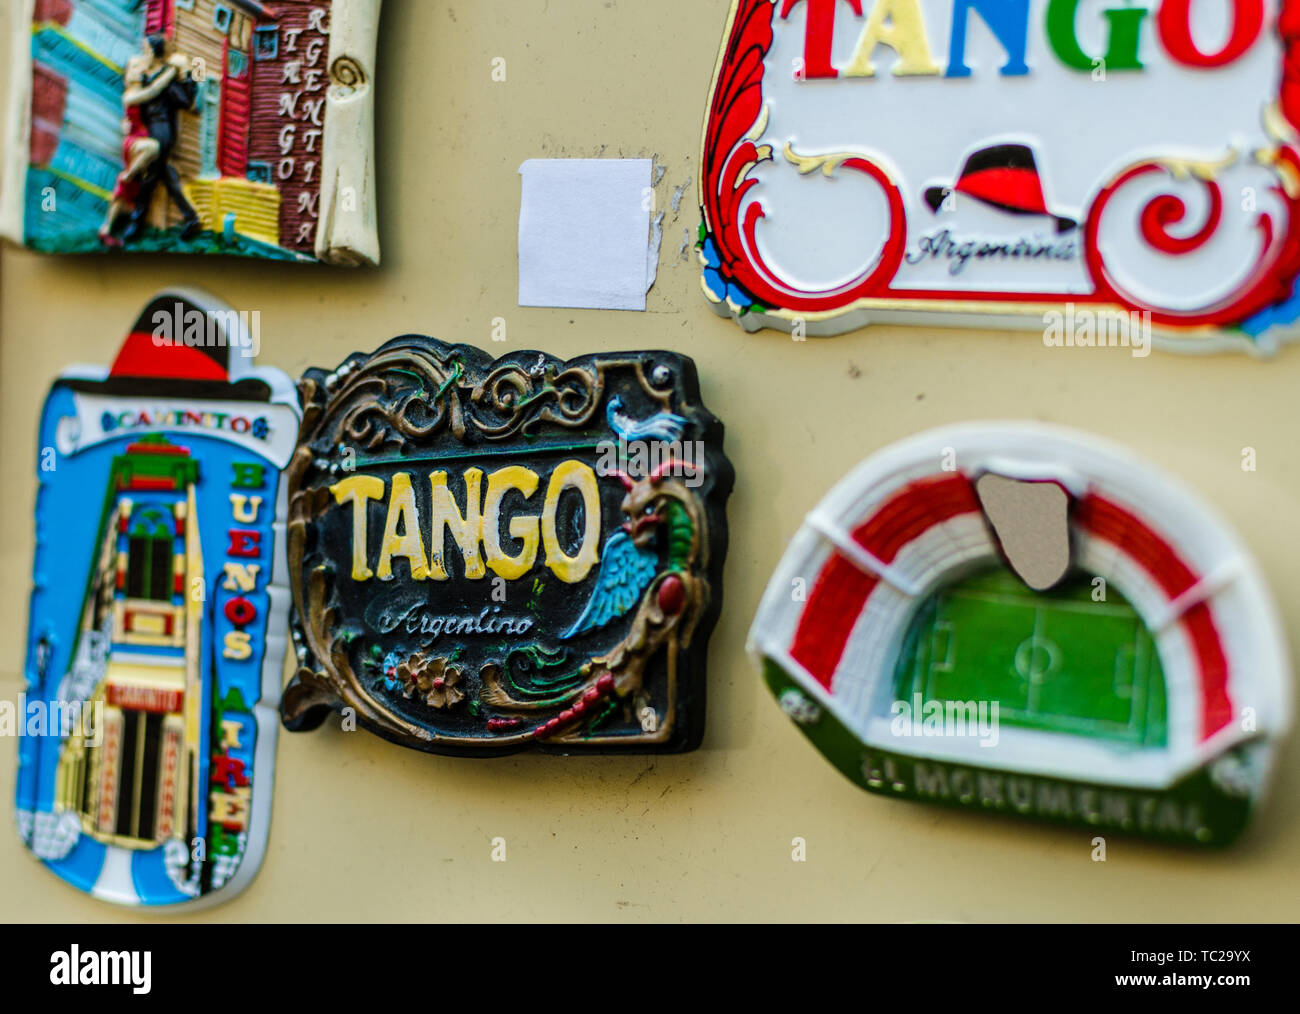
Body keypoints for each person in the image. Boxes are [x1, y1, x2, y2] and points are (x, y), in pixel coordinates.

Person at [119, 34, 202, 245]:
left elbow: (185, 101)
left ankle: (136, 224)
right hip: (151, 132)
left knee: (149, 180)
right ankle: (191, 218)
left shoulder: (167, 77)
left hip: (163, 132)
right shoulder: (148, 76)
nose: (143, 53)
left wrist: (190, 76)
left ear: (155, 53)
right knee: (166, 177)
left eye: (147, 49)